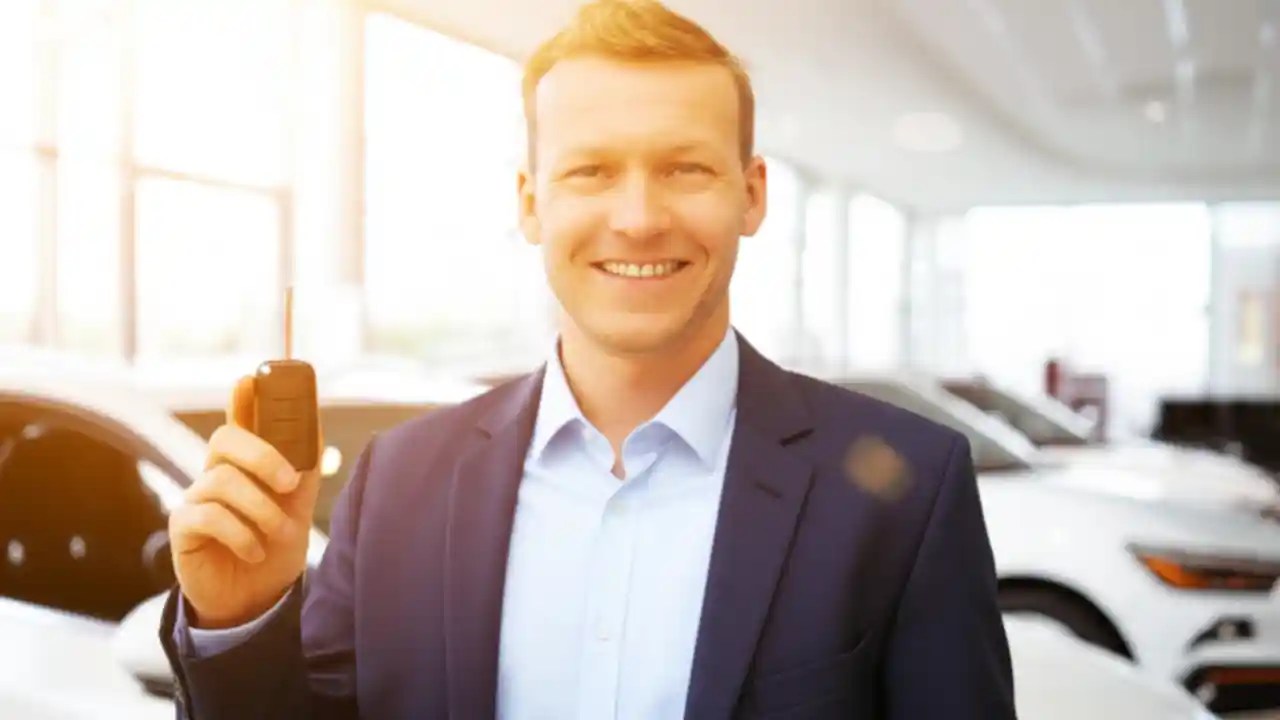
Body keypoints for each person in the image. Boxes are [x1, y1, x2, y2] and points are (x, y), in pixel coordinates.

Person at [159, 1, 1016, 718]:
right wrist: (239, 620)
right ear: (532, 203)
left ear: (751, 194)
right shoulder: (401, 484)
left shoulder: (907, 492)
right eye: (592, 172)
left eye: (684, 168)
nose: (638, 218)